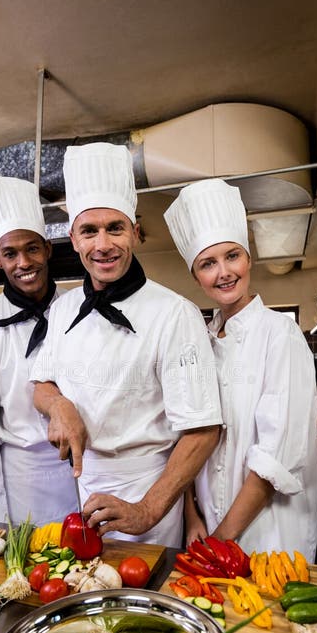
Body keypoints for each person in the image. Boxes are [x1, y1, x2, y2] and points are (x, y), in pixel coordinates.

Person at [30, 142, 222, 546]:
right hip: (84, 487)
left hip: (150, 490)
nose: (103, 245)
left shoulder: (174, 313)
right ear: (73, 238)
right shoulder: (62, 309)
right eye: (89, 231)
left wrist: (148, 510)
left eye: (115, 228)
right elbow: (41, 384)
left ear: (135, 232)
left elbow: (203, 431)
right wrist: (58, 405)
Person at [164, 177, 317, 560]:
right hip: (206, 529)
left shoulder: (280, 334)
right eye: (208, 264)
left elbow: (274, 459)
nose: (223, 273)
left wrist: (220, 541)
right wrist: (192, 517)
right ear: (195, 275)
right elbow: (182, 434)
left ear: (249, 258)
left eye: (232, 256)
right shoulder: (196, 341)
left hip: (267, 531)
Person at [0, 175, 76, 525]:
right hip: (22, 484)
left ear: (48, 249)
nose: (23, 262)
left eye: (32, 248)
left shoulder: (76, 311)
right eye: (10, 253)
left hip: (82, 476)